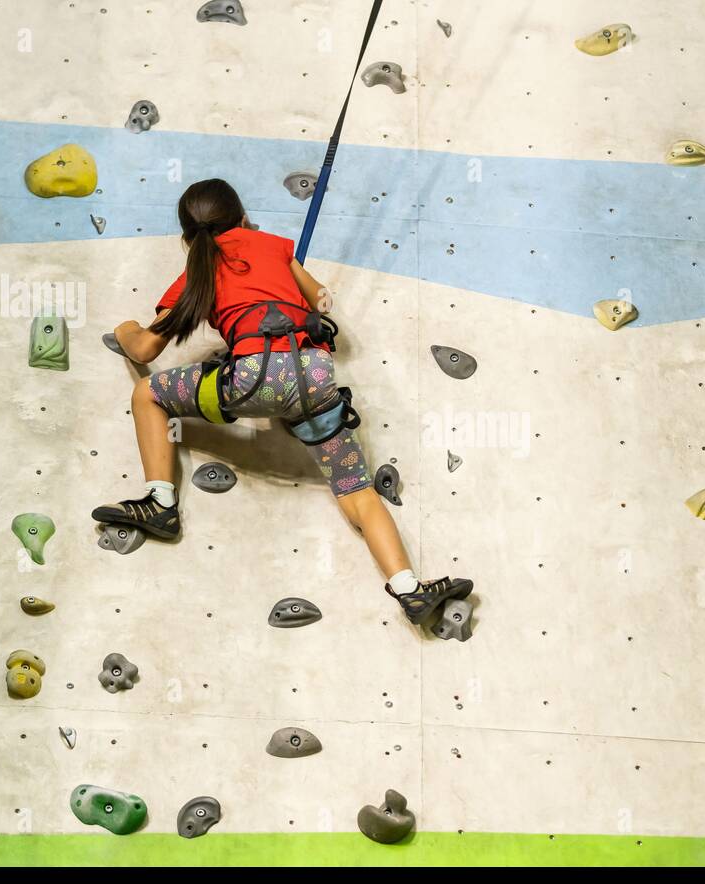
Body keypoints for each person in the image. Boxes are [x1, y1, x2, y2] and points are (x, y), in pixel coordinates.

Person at [92, 178, 471, 625]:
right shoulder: (273, 245)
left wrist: (123, 328)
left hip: (251, 381)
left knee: (148, 394)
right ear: (243, 217)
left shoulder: (197, 271)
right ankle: (409, 589)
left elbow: (144, 351)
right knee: (356, 490)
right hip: (313, 375)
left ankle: (160, 503)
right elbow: (322, 301)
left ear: (185, 238)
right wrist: (294, 283)